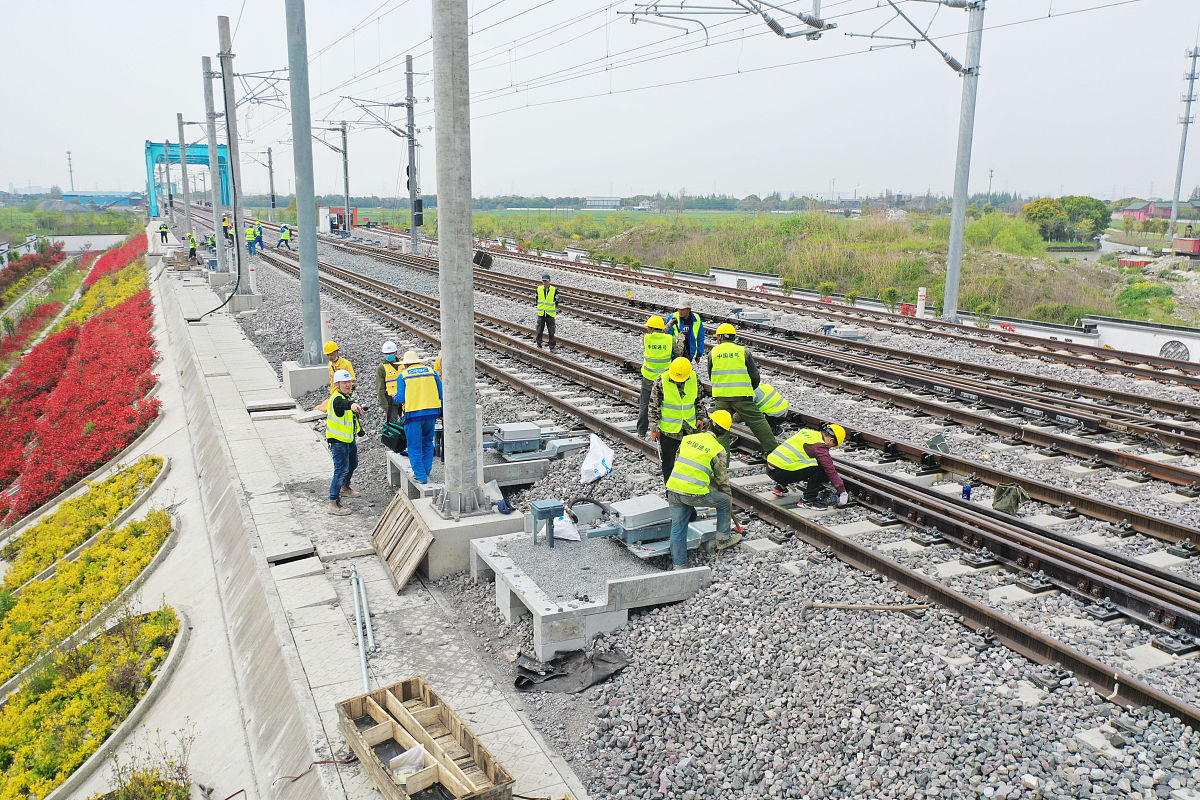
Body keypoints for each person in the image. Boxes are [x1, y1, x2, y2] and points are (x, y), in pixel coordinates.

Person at [665, 410, 741, 570]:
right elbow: (722, 480)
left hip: (673, 488)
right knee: (724, 501)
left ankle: (679, 566)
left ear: (709, 424)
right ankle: (723, 539)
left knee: (678, 527)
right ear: (724, 433)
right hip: (692, 493)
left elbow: (681, 461)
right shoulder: (718, 450)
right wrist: (728, 496)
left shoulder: (688, 439)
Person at [707, 323, 778, 454]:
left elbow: (711, 375)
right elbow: (755, 376)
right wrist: (749, 389)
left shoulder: (713, 353)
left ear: (722, 337)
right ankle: (773, 451)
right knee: (758, 421)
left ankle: (722, 460)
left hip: (721, 397)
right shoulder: (743, 351)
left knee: (721, 427)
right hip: (742, 396)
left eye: (718, 337)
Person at [649, 357, 710, 481]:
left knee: (691, 463)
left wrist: (700, 417)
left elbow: (699, 401)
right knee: (669, 465)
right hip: (669, 431)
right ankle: (670, 493)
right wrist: (654, 428)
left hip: (690, 429)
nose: (678, 382)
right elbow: (654, 405)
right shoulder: (661, 381)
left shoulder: (694, 379)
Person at [766, 424, 850, 510]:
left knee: (799, 460)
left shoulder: (807, 432)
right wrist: (842, 491)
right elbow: (830, 470)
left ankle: (780, 487)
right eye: (832, 446)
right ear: (831, 440)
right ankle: (808, 500)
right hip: (780, 473)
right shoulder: (820, 447)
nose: (829, 448)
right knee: (821, 467)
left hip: (770, 468)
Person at [394, 350, 443, 484]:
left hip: (413, 415)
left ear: (406, 364)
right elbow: (441, 392)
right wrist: (442, 412)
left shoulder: (403, 376)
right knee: (427, 442)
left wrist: (394, 397)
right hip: (431, 413)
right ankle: (426, 470)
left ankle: (420, 476)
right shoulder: (431, 372)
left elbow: (401, 398)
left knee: (414, 446)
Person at [324, 369, 364, 515]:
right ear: (337, 384)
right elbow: (342, 404)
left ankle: (345, 488)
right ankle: (334, 503)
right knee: (340, 470)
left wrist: (360, 432)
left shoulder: (346, 396)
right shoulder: (337, 399)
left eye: (350, 382)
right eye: (345, 382)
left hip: (348, 439)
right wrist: (352, 404)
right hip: (338, 442)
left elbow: (351, 419)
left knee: (353, 464)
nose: (348, 385)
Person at [637, 315, 680, 438]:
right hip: (664, 379)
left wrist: (668, 326)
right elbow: (677, 352)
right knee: (664, 404)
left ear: (651, 328)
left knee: (645, 404)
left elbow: (657, 334)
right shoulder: (669, 339)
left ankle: (641, 431)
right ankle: (664, 431)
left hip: (648, 377)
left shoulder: (646, 338)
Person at [666, 296, 704, 362]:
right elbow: (667, 334)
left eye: (683, 309)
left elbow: (700, 337)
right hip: (675, 351)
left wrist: (699, 353)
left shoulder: (696, 319)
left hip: (689, 351)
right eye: (679, 309)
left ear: (689, 309)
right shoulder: (673, 317)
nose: (680, 311)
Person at [376, 340, 402, 424]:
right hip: (391, 401)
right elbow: (380, 387)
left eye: (391, 353)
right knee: (392, 423)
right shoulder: (382, 367)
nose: (389, 355)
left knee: (406, 422)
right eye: (387, 354)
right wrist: (384, 404)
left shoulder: (403, 364)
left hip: (404, 399)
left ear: (396, 352)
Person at [535, 274, 558, 350]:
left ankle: (552, 346)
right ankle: (539, 344)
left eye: (546, 281)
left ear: (549, 281)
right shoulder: (539, 289)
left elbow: (557, 301)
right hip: (541, 313)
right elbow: (537, 299)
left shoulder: (554, 290)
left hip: (550, 314)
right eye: (544, 281)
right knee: (539, 330)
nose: (545, 282)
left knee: (551, 331)